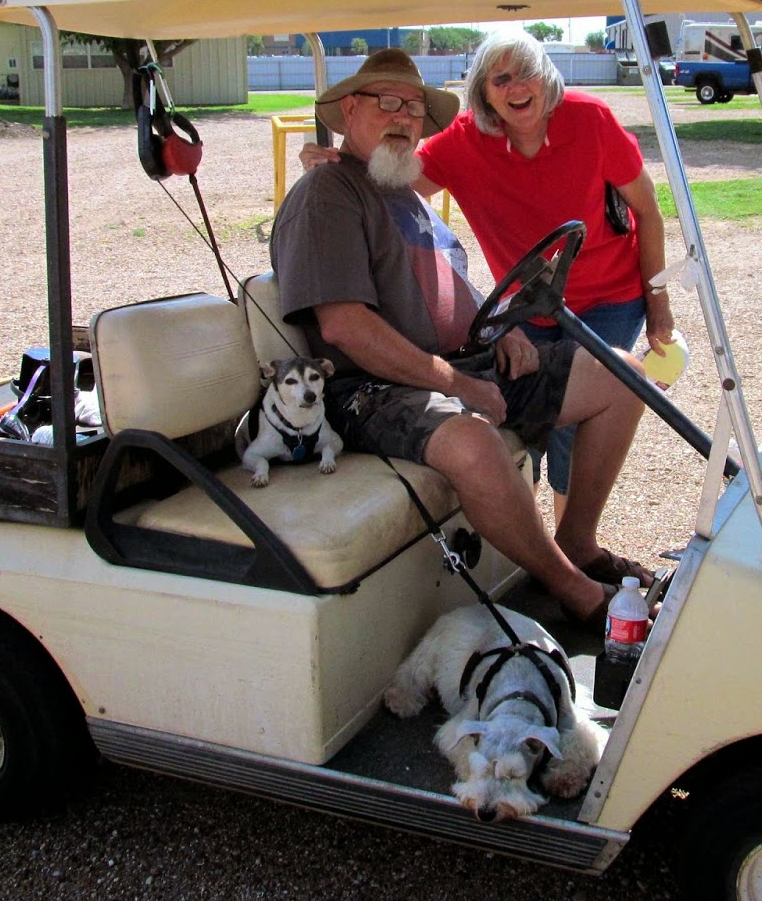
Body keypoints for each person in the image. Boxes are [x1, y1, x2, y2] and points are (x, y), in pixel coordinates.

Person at [271, 48, 651, 627]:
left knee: (623, 375)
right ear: (349, 111)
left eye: (415, 107)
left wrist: (501, 329)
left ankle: (576, 541)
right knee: (474, 440)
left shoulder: (397, 188)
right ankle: (573, 591)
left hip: (453, 364)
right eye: (388, 103)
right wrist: (456, 384)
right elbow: (345, 326)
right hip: (366, 388)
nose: (404, 118)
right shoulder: (330, 194)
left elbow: (449, 279)